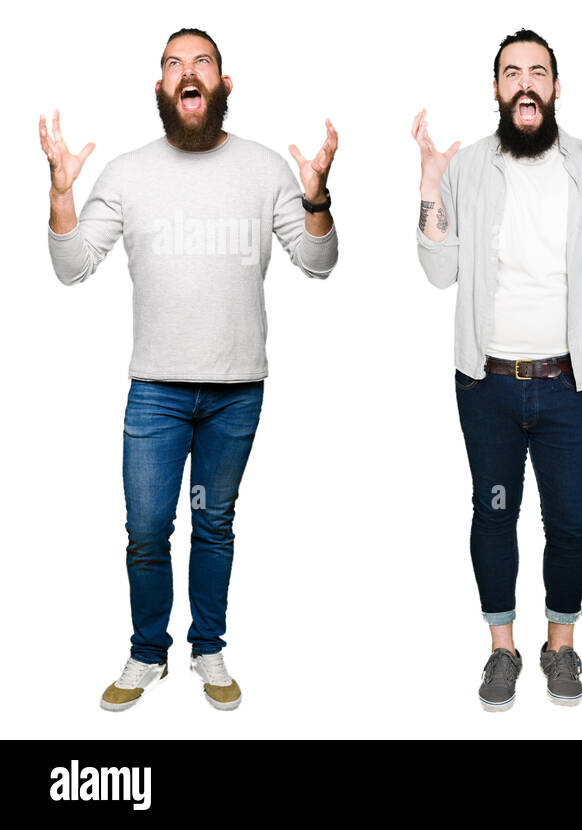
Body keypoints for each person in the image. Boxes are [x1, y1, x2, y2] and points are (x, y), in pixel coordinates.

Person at [42, 28, 339, 711]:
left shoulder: (265, 168)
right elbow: (71, 266)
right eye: (173, 63)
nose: (188, 71)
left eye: (201, 61)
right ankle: (149, 653)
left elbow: (318, 264)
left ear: (224, 84)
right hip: (156, 395)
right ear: (161, 89)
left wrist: (317, 196)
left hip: (237, 394)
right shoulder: (126, 171)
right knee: (147, 530)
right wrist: (61, 191)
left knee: (213, 524)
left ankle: (208, 648)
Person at [413, 28, 582, 711]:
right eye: (511, 73)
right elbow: (438, 268)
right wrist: (429, 182)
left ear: (555, 86)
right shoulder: (468, 166)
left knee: (571, 522)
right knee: (494, 514)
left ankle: (561, 647)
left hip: (568, 383)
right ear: (496, 90)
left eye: (537, 72)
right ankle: (502, 649)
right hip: (484, 383)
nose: (524, 83)